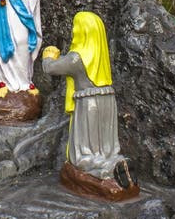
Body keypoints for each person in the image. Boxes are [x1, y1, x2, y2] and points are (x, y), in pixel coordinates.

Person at [42, 12, 125, 180]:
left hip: (89, 101)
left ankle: (97, 166)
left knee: (86, 144)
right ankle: (111, 160)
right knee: (105, 142)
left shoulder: (77, 58)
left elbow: (50, 68)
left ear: (83, 31)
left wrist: (48, 56)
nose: (73, 31)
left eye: (75, 27)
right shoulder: (100, 55)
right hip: (107, 98)